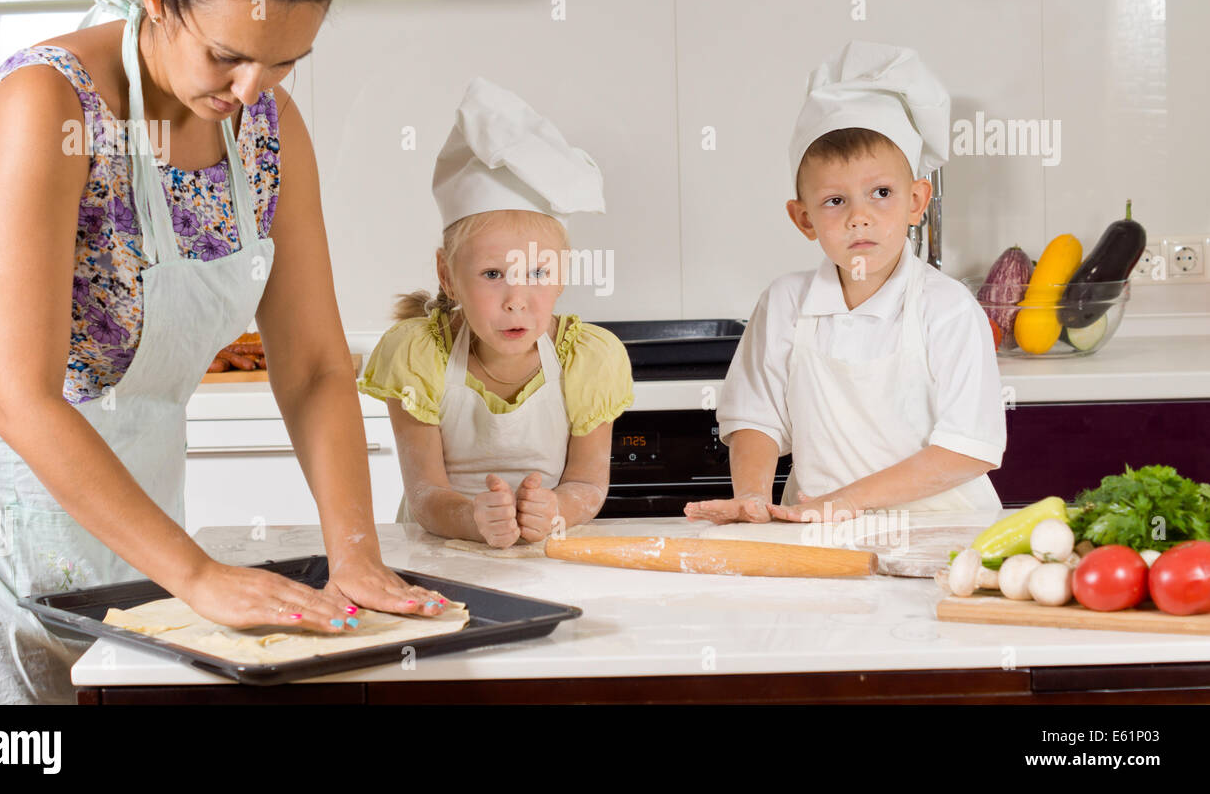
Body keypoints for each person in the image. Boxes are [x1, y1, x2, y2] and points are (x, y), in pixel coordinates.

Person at [0, 0, 448, 706]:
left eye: (283, 65)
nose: (248, 94)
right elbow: (17, 394)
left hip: (139, 504)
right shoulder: (46, 105)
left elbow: (311, 366)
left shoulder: (267, 127)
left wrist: (355, 553)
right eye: (226, 57)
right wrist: (194, 571)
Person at [687, 41, 1005, 525]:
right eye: (835, 201)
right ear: (803, 218)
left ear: (917, 201)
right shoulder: (784, 303)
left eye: (881, 193)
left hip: (942, 533)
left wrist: (844, 503)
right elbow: (756, 417)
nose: (860, 217)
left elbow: (967, 449)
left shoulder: (948, 308)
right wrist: (752, 498)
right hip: (815, 531)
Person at [359, 78, 633, 548]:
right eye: (492, 274)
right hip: (439, 558)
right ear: (448, 275)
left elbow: (587, 485)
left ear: (563, 273)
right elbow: (425, 493)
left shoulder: (589, 360)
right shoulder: (417, 356)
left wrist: (557, 510)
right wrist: (472, 518)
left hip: (547, 556)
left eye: (537, 273)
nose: (516, 299)